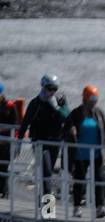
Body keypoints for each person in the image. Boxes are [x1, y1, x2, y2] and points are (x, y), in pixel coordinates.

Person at [17, 74, 70, 202]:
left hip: (55, 141)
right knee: (46, 172)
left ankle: (43, 198)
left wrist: (57, 107)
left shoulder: (60, 101)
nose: (51, 91)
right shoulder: (35, 103)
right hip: (39, 142)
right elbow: (25, 123)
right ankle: (48, 210)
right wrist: (18, 143)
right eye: (49, 88)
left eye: (54, 89)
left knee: (48, 173)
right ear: (43, 87)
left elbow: (67, 118)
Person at [62, 85, 105, 218]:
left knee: (98, 180)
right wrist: (71, 131)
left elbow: (104, 131)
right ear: (85, 98)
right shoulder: (76, 113)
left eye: (96, 98)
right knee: (79, 180)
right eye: (92, 98)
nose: (94, 101)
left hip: (96, 154)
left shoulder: (99, 113)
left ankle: (100, 207)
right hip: (80, 154)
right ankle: (77, 207)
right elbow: (66, 129)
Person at [0, 82, 19, 198]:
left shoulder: (10, 106)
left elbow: (16, 124)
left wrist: (14, 139)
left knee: (4, 166)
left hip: (6, 141)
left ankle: (4, 191)